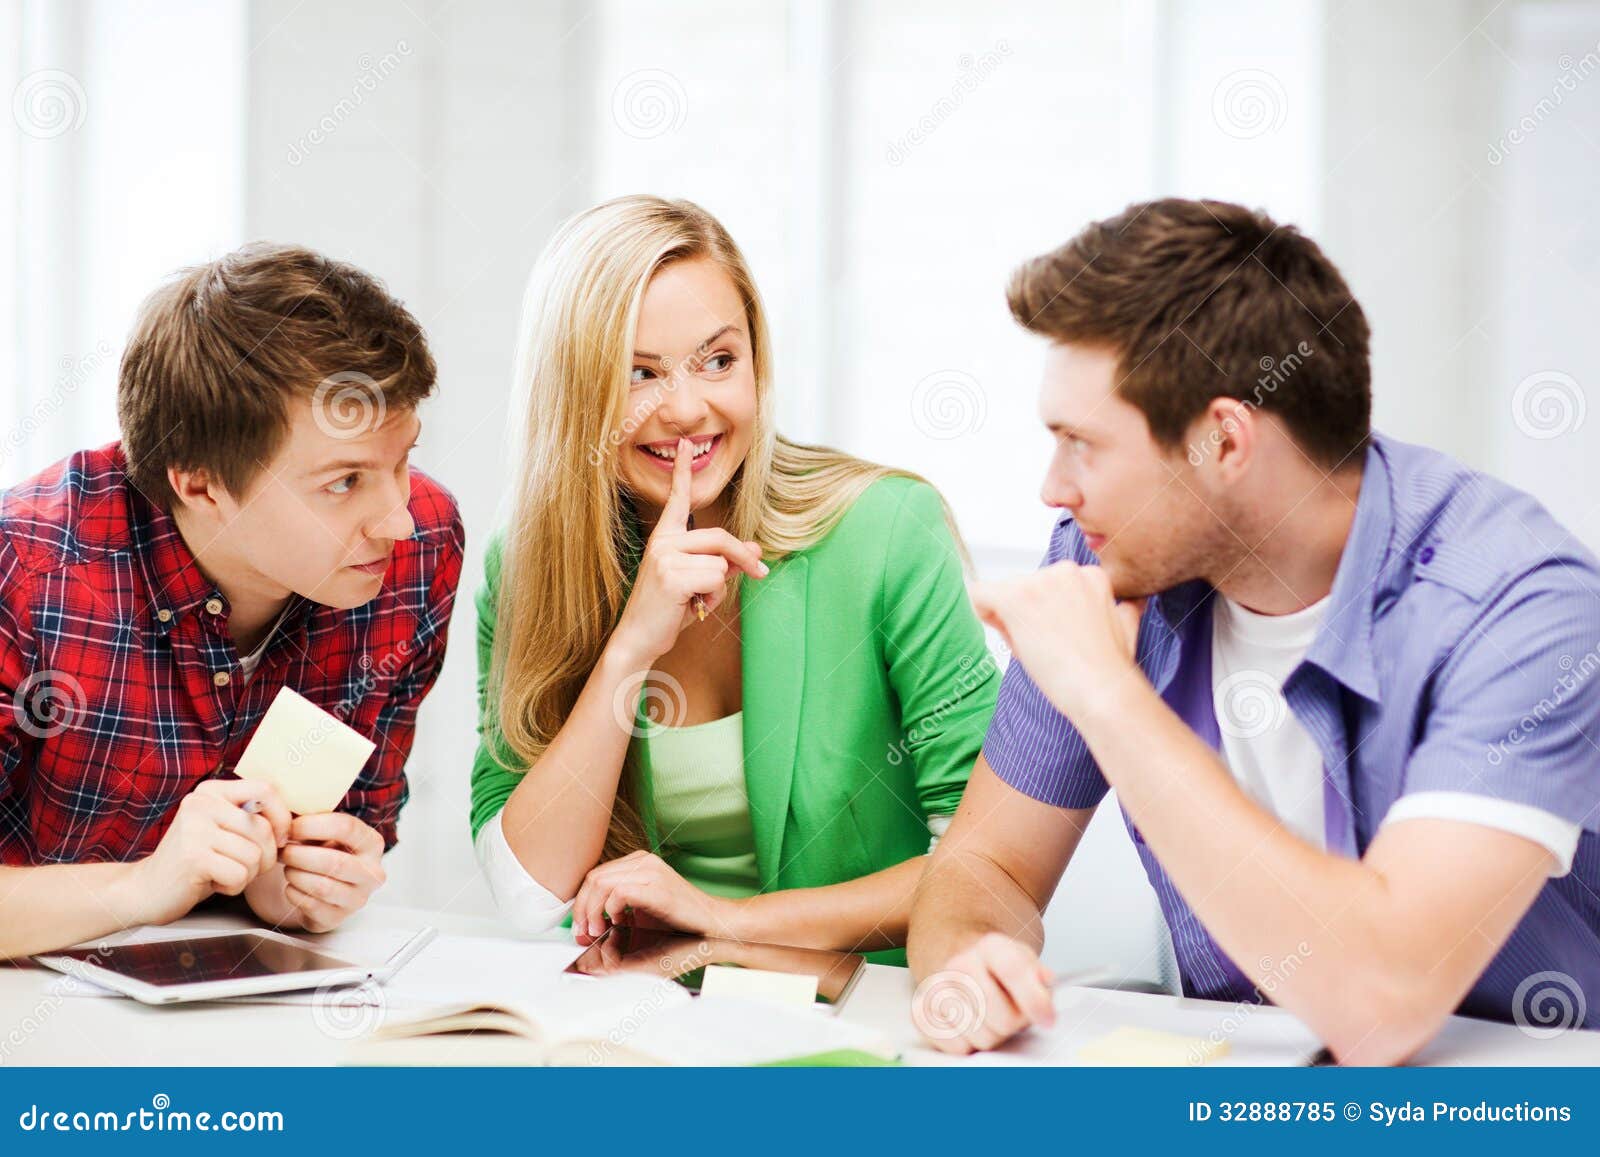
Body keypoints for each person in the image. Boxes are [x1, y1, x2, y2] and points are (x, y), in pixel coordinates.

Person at [907, 198, 1600, 1062]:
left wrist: (1108, 696)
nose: (1054, 488)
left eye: (1082, 444)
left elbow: (1381, 1005)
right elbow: (985, 868)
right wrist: (971, 962)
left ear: (1223, 441)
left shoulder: (1522, 609)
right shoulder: (1106, 567)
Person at [471, 195, 996, 962]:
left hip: (854, 1016)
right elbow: (527, 896)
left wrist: (721, 918)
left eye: (719, 360)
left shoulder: (885, 531)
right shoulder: (528, 562)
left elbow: (988, 866)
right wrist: (629, 652)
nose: (688, 408)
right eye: (638, 373)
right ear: (575, 392)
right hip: (647, 1020)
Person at [0, 243, 464, 960]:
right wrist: (147, 884)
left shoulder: (421, 546)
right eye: (343, 482)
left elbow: (358, 821)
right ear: (201, 484)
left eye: (401, 460)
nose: (396, 517)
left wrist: (295, 889)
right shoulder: (28, 571)